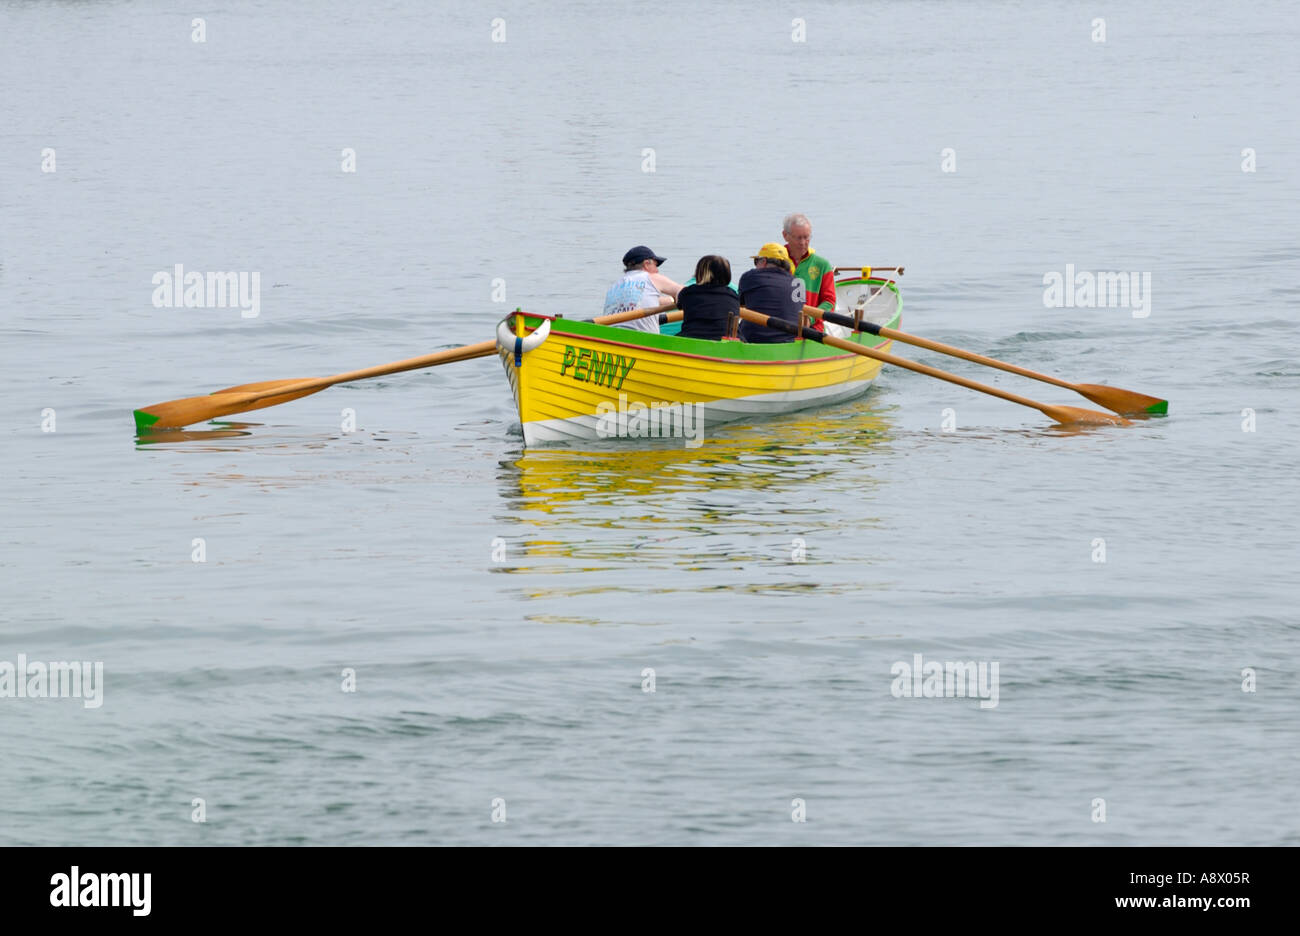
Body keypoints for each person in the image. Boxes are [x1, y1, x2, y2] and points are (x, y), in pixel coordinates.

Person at [602, 246, 682, 332]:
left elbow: (642, 300)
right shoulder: (651, 277)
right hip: (644, 337)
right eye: (655, 265)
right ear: (647, 264)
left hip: (610, 334)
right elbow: (686, 291)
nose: (657, 270)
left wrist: (671, 300)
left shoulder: (614, 286)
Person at [737, 244, 803, 344]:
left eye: (756, 261)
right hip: (790, 341)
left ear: (764, 261)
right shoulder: (799, 283)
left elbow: (740, 303)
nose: (755, 266)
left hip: (754, 340)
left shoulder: (750, 277)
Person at [782, 213, 835, 332]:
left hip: (812, 329)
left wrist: (810, 318)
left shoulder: (822, 265)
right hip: (781, 326)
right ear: (785, 235)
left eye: (806, 237)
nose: (803, 242)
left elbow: (829, 302)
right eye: (798, 238)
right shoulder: (775, 261)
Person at [675, 255, 739, 340]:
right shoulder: (733, 295)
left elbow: (679, 304)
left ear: (699, 273)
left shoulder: (688, 292)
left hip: (693, 336)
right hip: (727, 340)